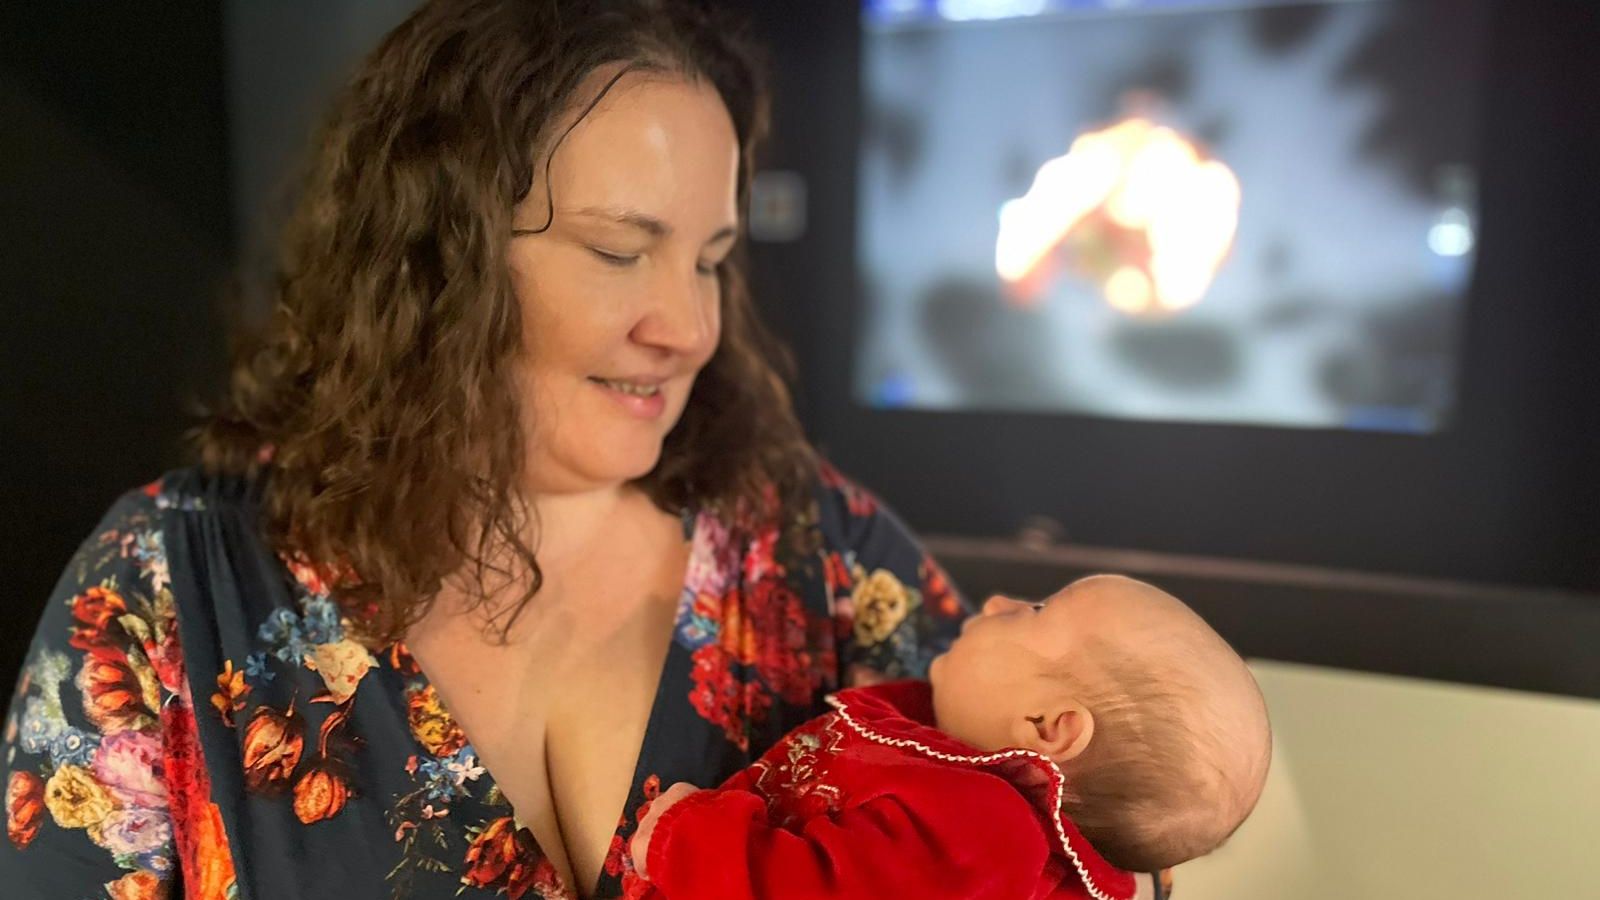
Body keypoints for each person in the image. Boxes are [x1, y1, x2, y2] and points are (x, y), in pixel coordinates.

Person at [0, 2, 971, 898]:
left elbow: (1052, 824)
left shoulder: (820, 555)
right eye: (616, 250)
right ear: (433, 255)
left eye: (709, 261)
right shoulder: (162, 592)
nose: (688, 326)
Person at [628, 575, 1271, 900]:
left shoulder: (984, 831)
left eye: (1036, 612)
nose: (993, 602)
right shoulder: (960, 791)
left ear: (1048, 728)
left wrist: (684, 836)